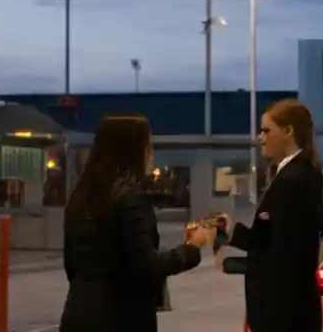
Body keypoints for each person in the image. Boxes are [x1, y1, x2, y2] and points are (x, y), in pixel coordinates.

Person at [59, 114, 215, 332]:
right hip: (122, 317)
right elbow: (147, 264)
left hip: (79, 312)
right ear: (131, 151)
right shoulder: (131, 197)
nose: (151, 154)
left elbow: (71, 263)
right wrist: (191, 248)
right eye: (148, 146)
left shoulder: (81, 195)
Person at [219, 99, 323, 332]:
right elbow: (268, 240)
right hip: (287, 311)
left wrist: (239, 262)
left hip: (283, 314)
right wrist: (229, 231)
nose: (260, 138)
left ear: (288, 131)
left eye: (266, 130)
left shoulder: (294, 180)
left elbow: (282, 256)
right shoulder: (292, 175)